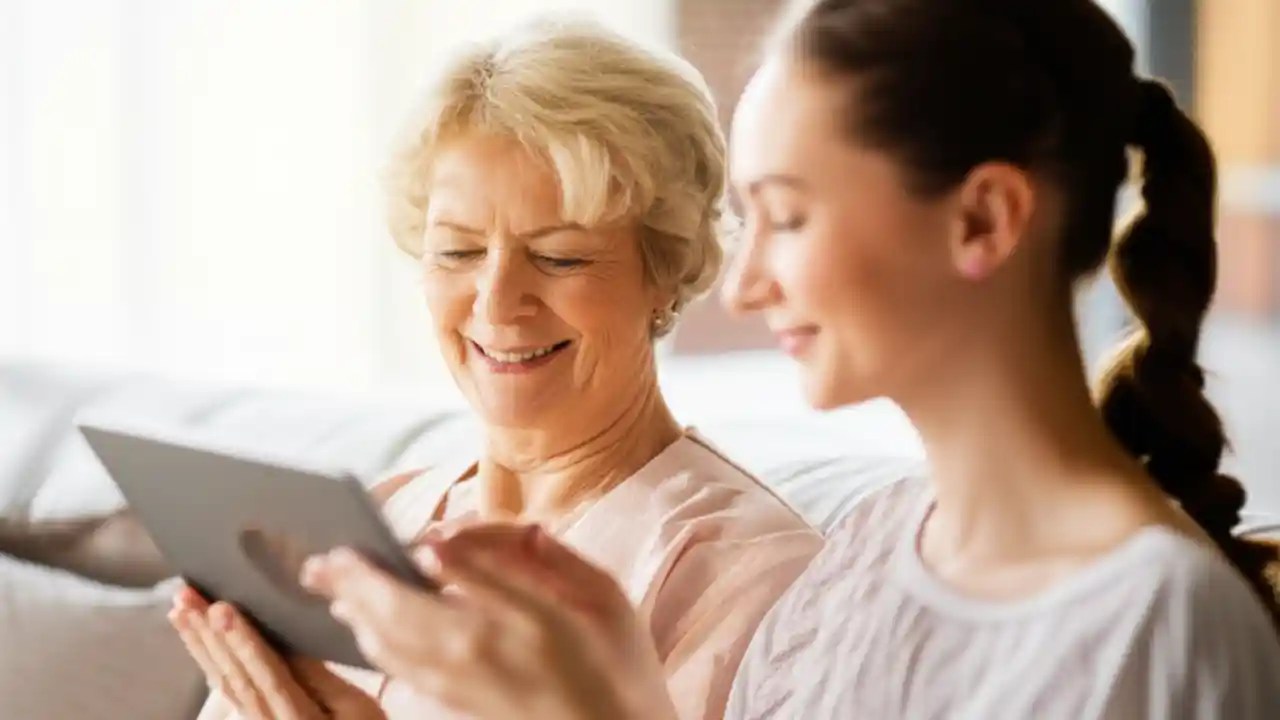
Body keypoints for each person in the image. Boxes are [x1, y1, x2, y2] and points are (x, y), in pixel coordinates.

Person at [300, 0, 1280, 717]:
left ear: (980, 218)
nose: (739, 283)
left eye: (789, 214)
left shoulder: (1154, 620)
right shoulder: (862, 563)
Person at [166, 17, 821, 720]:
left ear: (666, 270)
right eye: (456, 252)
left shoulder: (747, 573)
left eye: (561, 256)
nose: (498, 302)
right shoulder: (382, 519)